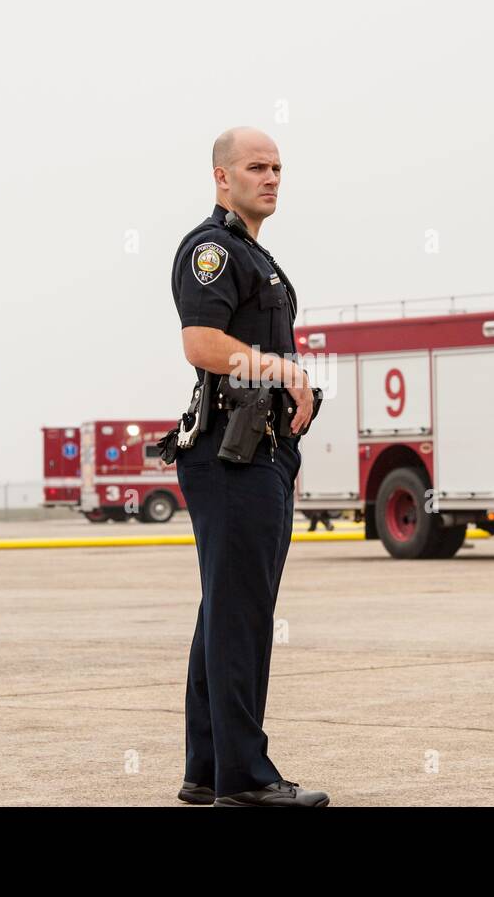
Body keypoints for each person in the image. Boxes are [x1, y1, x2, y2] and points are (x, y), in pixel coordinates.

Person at [168, 127, 326, 807]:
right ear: (220, 177)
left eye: (278, 167)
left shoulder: (252, 253)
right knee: (241, 616)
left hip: (256, 451)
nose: (271, 178)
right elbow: (201, 342)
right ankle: (247, 778)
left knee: (224, 612)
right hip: (231, 454)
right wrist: (283, 369)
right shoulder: (212, 251)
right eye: (256, 167)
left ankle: (207, 768)